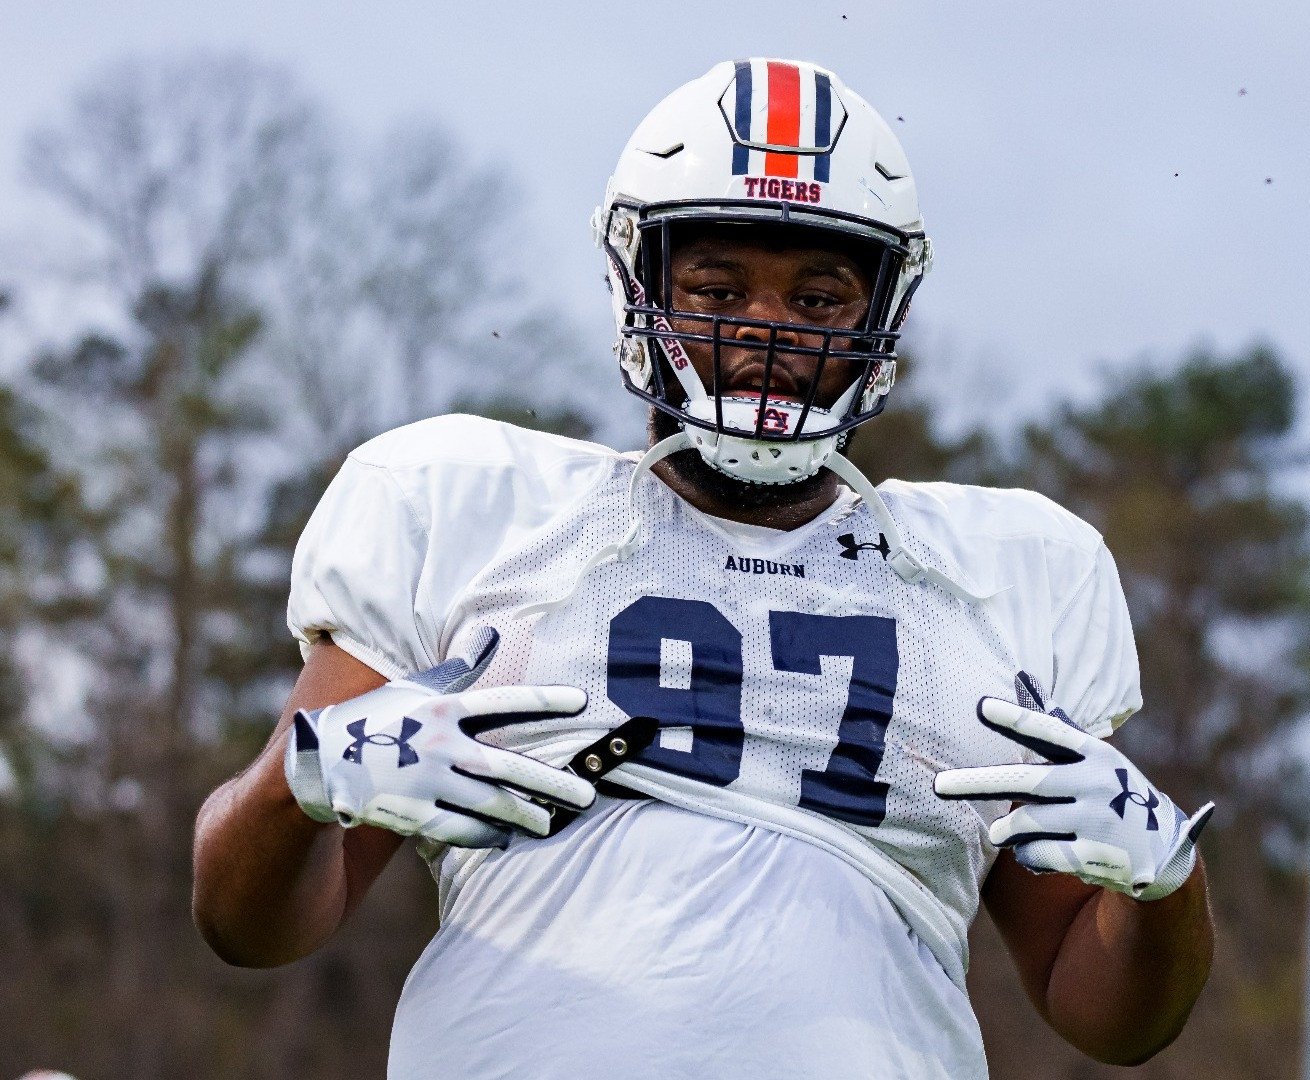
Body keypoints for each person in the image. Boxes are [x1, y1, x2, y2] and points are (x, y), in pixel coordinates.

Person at [190, 58, 1215, 1079]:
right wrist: (304, 782)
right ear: (640, 285)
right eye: (720, 287)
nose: (766, 332)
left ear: (880, 315)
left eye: (817, 299)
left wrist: (1166, 883)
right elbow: (248, 925)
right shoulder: (472, 513)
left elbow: (1113, 1021)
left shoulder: (999, 579)